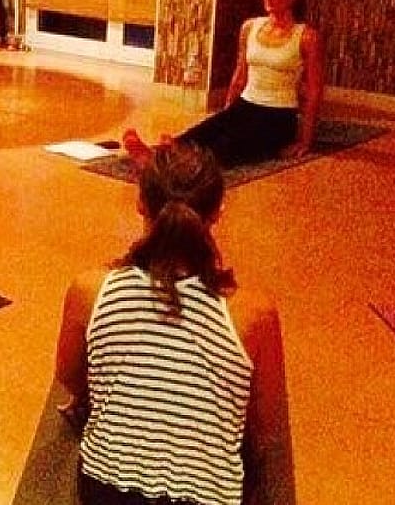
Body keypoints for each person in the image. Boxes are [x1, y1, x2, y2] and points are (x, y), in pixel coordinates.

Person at [54, 144, 291, 505]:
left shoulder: (89, 290)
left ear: (140, 204)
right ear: (218, 211)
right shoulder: (254, 313)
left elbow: (69, 375)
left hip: (106, 490)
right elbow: (266, 425)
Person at [125, 0, 324, 168]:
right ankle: (156, 156)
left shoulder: (307, 37)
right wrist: (227, 114)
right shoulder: (250, 27)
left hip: (278, 115)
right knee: (201, 134)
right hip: (246, 104)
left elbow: (314, 91)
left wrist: (305, 140)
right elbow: (240, 75)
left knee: (225, 147)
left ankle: (163, 163)